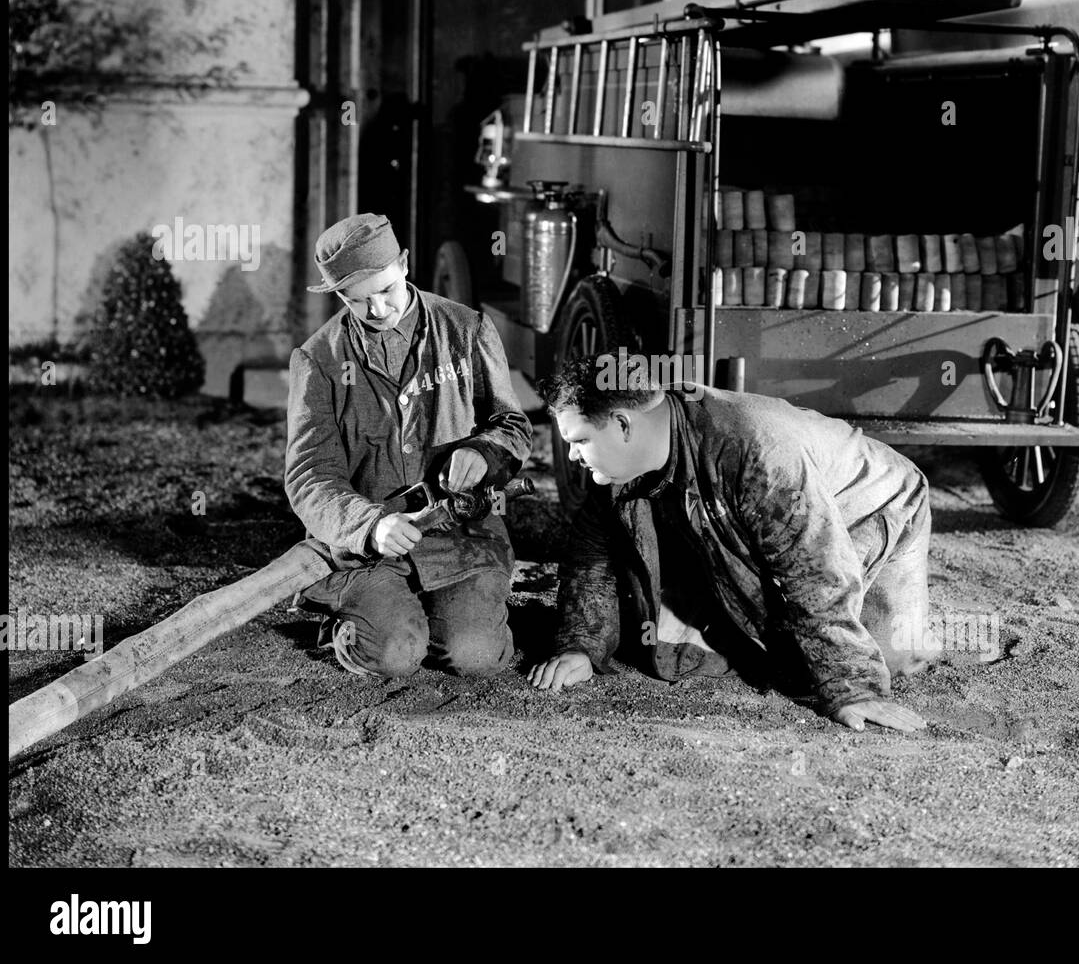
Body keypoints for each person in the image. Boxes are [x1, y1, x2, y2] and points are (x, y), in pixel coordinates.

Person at [529, 354, 939, 732]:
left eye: (579, 441)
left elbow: (817, 567)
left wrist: (852, 687)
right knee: (675, 648)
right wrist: (580, 646)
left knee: (891, 658)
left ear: (622, 425)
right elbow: (591, 555)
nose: (571, 457)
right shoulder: (621, 464)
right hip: (745, 520)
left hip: (871, 505)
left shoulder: (750, 446)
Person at [285, 213, 531, 679]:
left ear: (404, 264)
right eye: (357, 301)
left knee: (475, 655)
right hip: (368, 547)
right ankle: (367, 617)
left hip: (460, 535)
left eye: (385, 290)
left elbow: (513, 425)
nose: (377, 309)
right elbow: (309, 475)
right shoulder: (318, 360)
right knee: (395, 654)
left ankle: (434, 614)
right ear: (339, 296)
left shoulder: (466, 330)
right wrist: (369, 525)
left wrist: (482, 452)